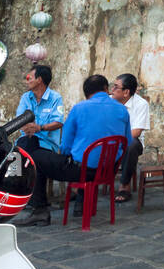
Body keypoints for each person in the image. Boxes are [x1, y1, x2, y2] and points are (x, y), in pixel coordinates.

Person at [14, 74, 131, 228]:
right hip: (108, 170)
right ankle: (80, 205)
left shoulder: (79, 108)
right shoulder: (122, 110)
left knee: (34, 157)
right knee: (81, 158)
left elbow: (66, 146)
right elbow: (127, 142)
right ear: (106, 89)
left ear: (86, 93)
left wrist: (67, 155)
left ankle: (39, 210)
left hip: (81, 171)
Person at [110, 73, 150, 203]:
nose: (112, 90)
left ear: (126, 92)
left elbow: (136, 132)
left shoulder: (141, 104)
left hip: (131, 141)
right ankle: (82, 187)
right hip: (110, 141)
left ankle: (124, 186)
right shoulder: (109, 102)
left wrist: (118, 140)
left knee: (131, 144)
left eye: (116, 87)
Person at [14, 65, 65, 155]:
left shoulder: (55, 98)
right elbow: (19, 120)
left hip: (46, 145)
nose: (27, 81)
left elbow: (58, 123)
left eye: (29, 78)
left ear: (39, 80)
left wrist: (39, 128)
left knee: (27, 158)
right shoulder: (25, 97)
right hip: (26, 142)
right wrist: (26, 128)